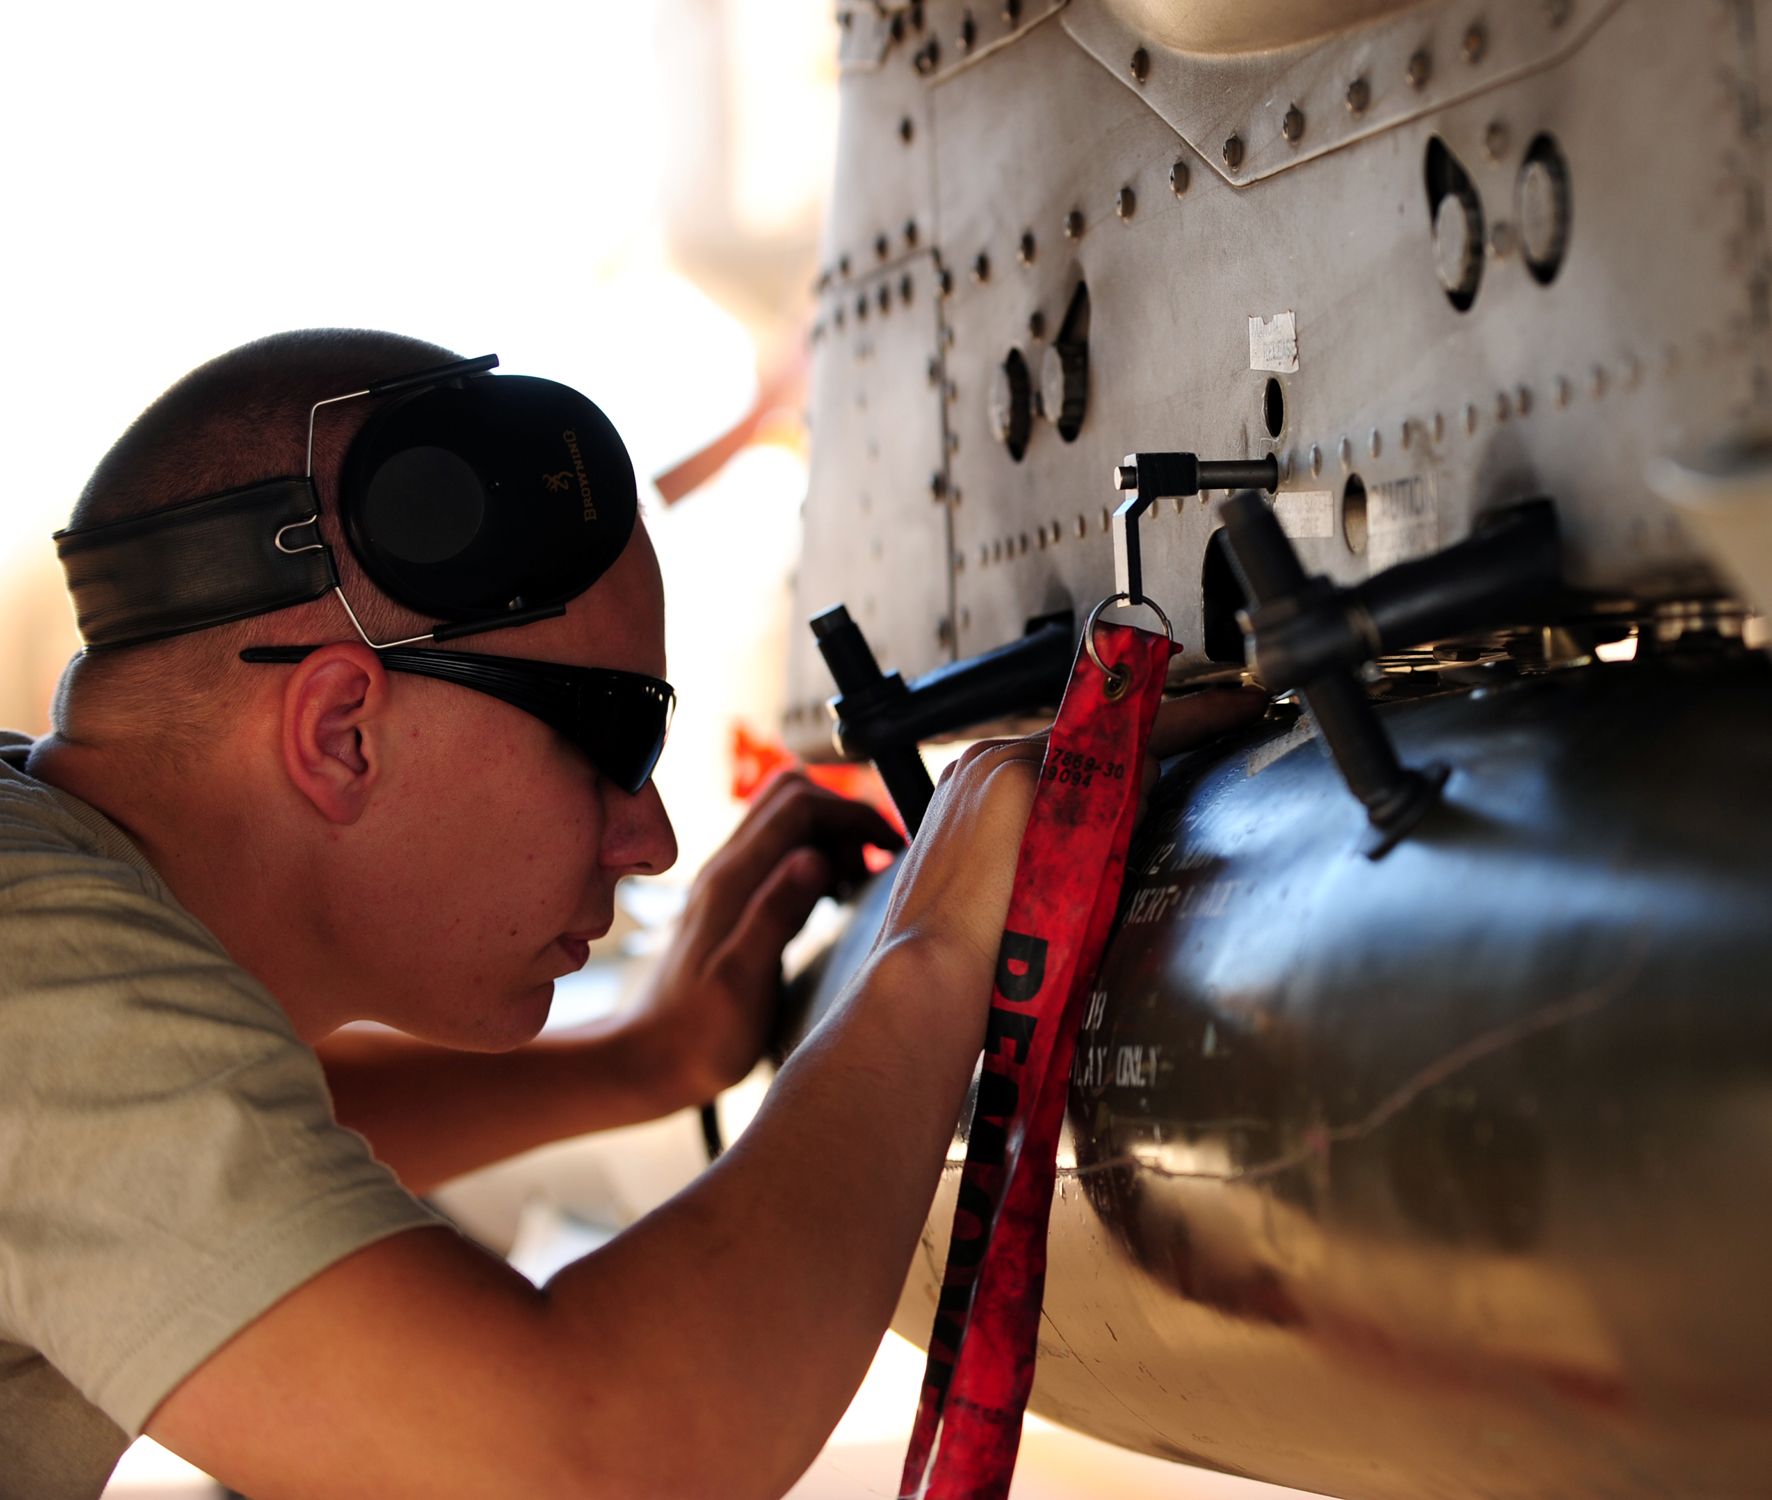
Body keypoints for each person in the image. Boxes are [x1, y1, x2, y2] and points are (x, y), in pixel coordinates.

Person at [0, 328, 1258, 1499]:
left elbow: (218, 1134)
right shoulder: (36, 968)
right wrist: (937, 941)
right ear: (341, 734)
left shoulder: (55, 935)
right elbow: (592, 1455)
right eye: (612, 738)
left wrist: (643, 1060)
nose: (651, 841)